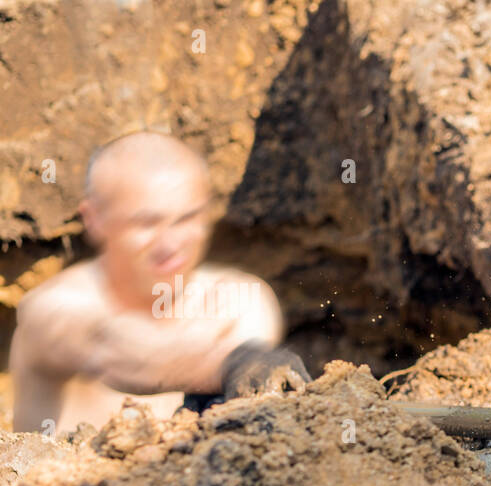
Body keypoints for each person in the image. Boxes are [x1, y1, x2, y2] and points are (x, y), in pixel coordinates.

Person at [9, 131, 309, 434]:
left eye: (187, 218)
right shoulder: (53, 307)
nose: (171, 243)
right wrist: (236, 362)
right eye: (146, 223)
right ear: (94, 219)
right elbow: (120, 352)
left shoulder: (240, 300)